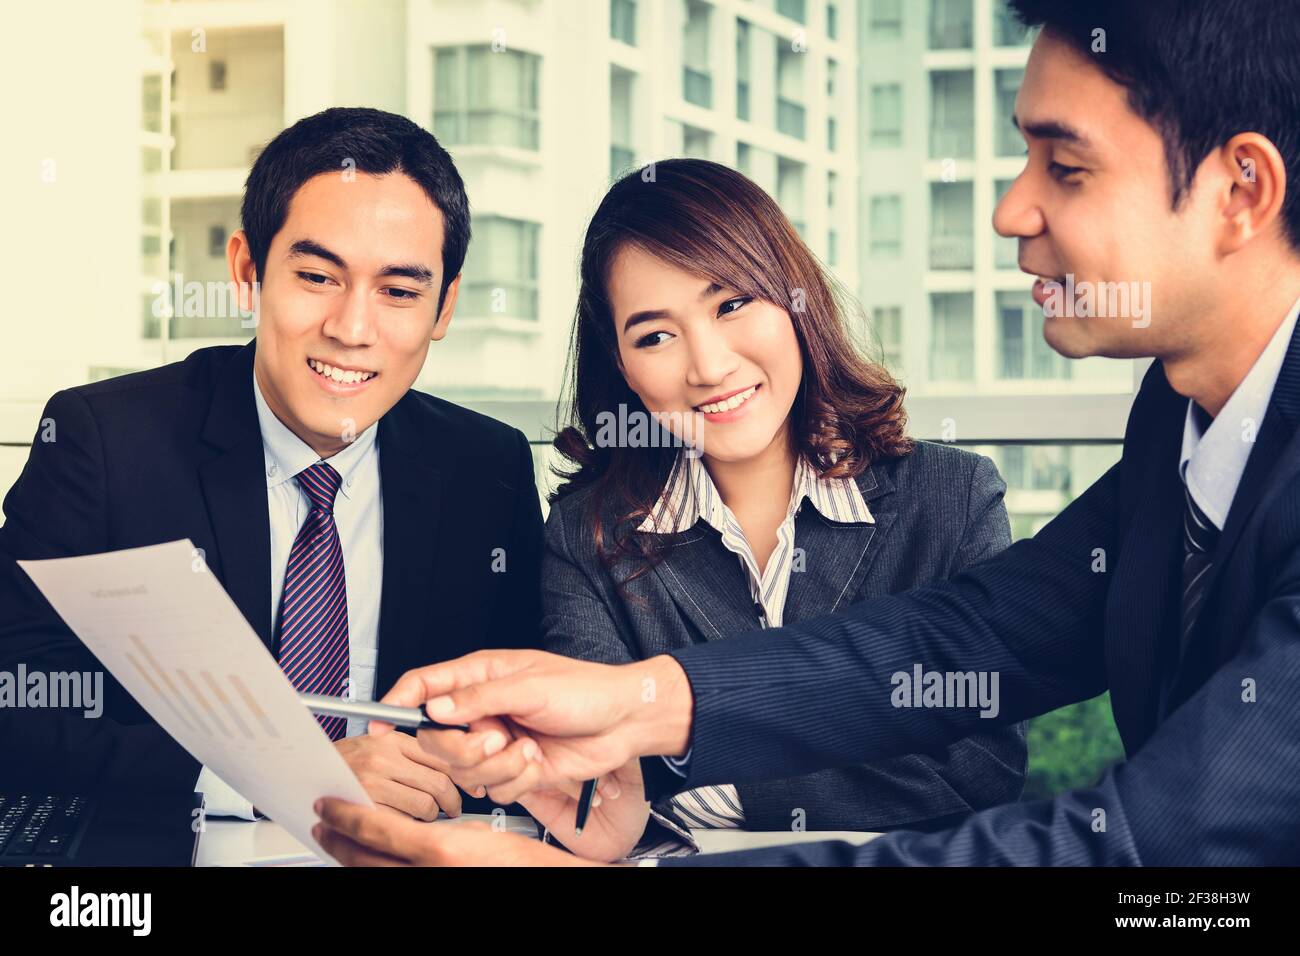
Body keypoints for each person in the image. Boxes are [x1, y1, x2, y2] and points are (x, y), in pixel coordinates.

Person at [314, 0, 1300, 866]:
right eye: (654, 333)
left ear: (1241, 192)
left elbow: (1144, 847)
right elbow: (971, 636)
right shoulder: (1176, 420)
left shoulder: (958, 487)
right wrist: (637, 702)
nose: (1009, 208)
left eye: (1066, 166)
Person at [0, 107, 544, 823]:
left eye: (401, 292)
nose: (352, 330)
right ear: (248, 272)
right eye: (317, 276)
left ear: (444, 306)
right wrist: (276, 781)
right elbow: (15, 705)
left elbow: (525, 713)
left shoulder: (488, 469)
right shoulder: (102, 442)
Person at [531, 158, 1023, 860]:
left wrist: (695, 765)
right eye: (654, 335)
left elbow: (977, 774)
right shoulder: (589, 536)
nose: (708, 365)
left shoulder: (951, 499)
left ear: (796, 300)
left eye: (731, 304)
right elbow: (597, 786)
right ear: (621, 367)